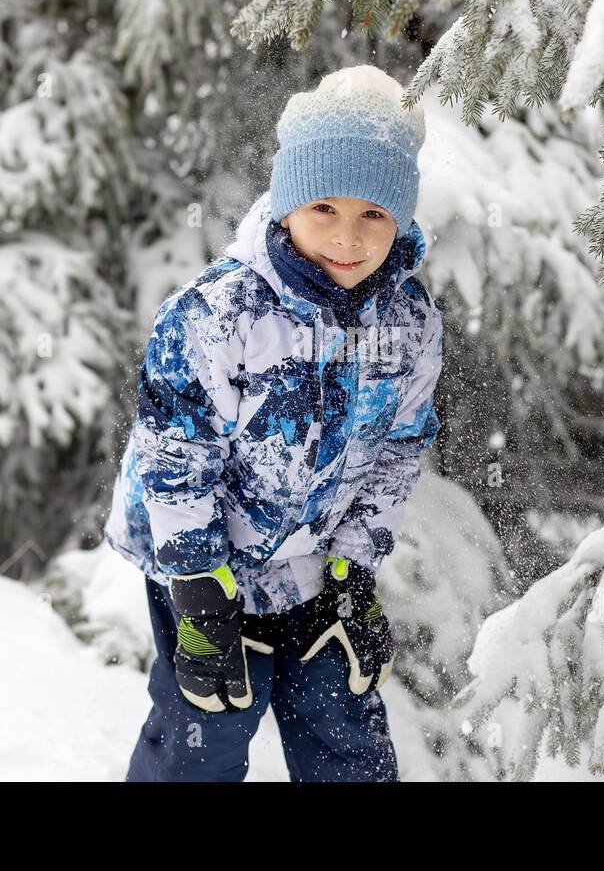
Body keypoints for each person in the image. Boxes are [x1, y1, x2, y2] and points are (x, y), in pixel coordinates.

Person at [104, 63, 443, 781]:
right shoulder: (218, 314)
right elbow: (173, 456)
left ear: (401, 218)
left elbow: (400, 450)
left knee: (344, 725)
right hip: (202, 557)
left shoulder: (411, 325)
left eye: (374, 214)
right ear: (287, 201)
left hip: (317, 560)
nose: (347, 238)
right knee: (206, 727)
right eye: (325, 208)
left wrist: (355, 567)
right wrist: (196, 583)